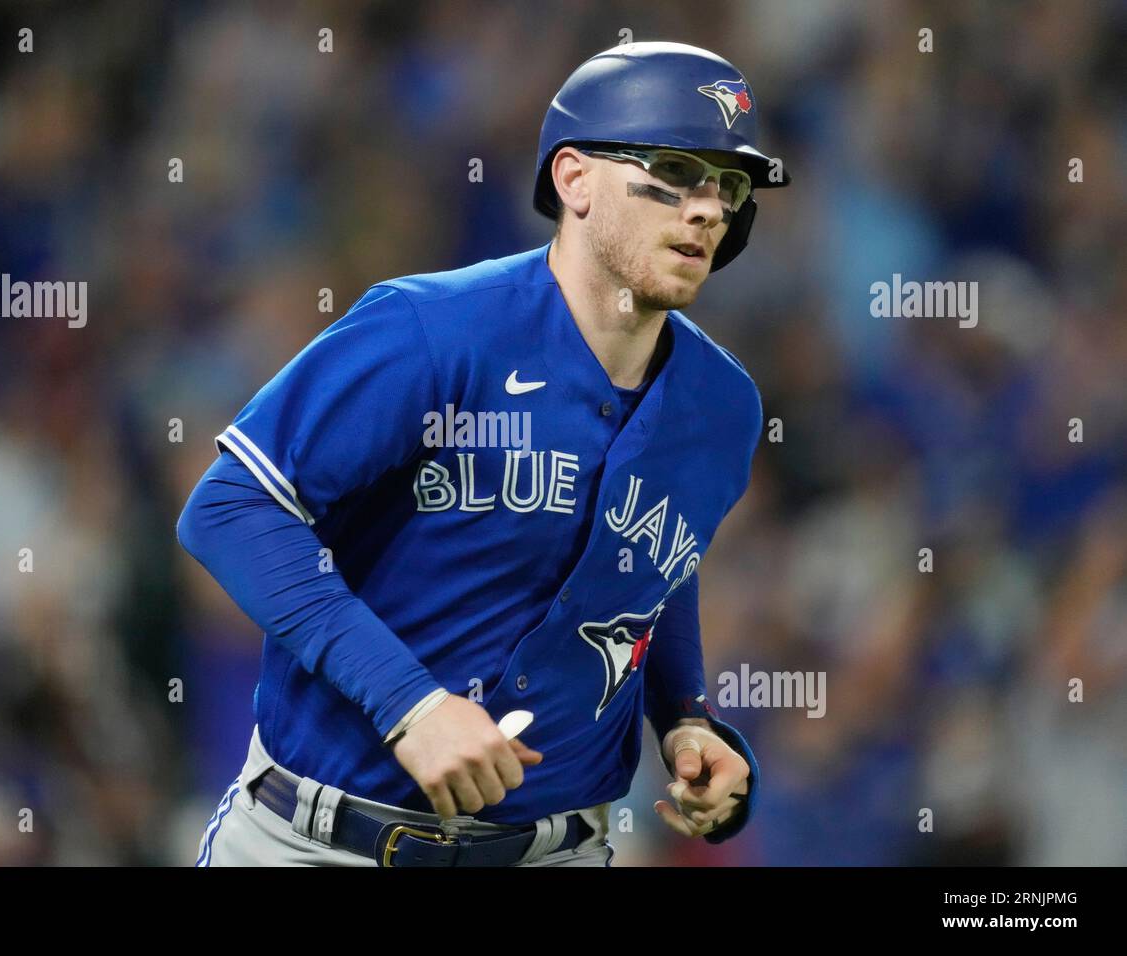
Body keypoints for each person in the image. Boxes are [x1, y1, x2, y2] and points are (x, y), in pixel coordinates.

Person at [178, 41, 790, 867]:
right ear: (573, 179)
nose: (708, 207)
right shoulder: (430, 331)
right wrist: (410, 705)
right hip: (324, 842)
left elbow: (655, 561)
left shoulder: (723, 405)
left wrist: (682, 715)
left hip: (555, 852)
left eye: (729, 184)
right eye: (676, 168)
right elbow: (229, 508)